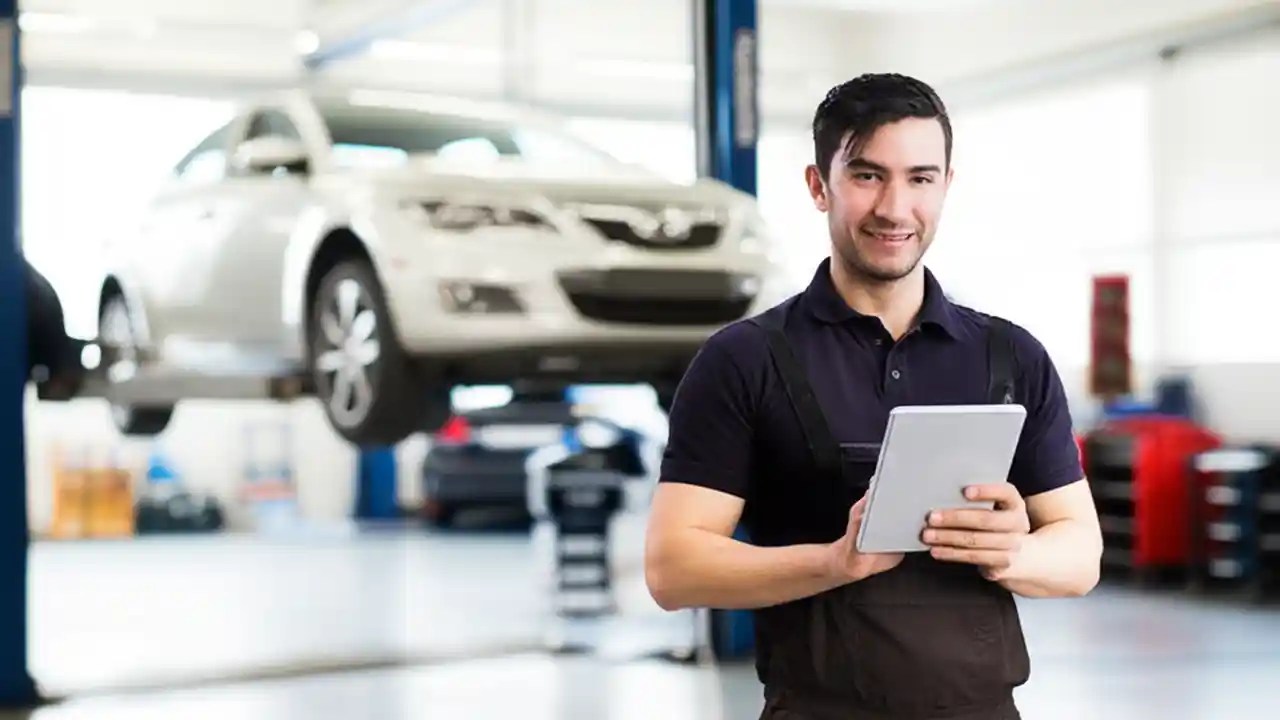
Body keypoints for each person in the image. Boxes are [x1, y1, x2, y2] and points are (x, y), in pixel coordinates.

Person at [644, 73, 1102, 720]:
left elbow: (1080, 555)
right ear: (818, 185)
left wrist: (1015, 552)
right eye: (866, 175)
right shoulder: (744, 360)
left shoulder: (1010, 356)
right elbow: (674, 568)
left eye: (919, 178)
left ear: (946, 185)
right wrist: (835, 562)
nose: (894, 207)